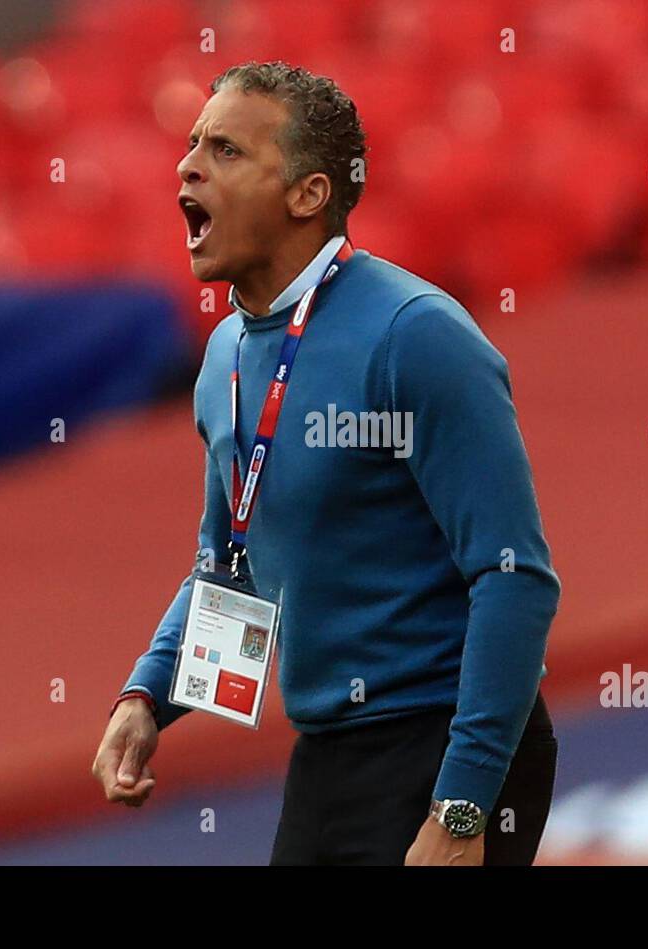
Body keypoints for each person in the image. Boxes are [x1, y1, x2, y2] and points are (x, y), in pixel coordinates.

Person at [91, 61, 560, 865]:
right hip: (331, 757)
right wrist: (149, 696)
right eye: (193, 143)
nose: (188, 164)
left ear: (308, 195)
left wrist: (461, 810)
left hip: (444, 747)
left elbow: (514, 576)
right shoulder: (226, 355)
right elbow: (234, 562)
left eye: (228, 151)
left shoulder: (415, 336)